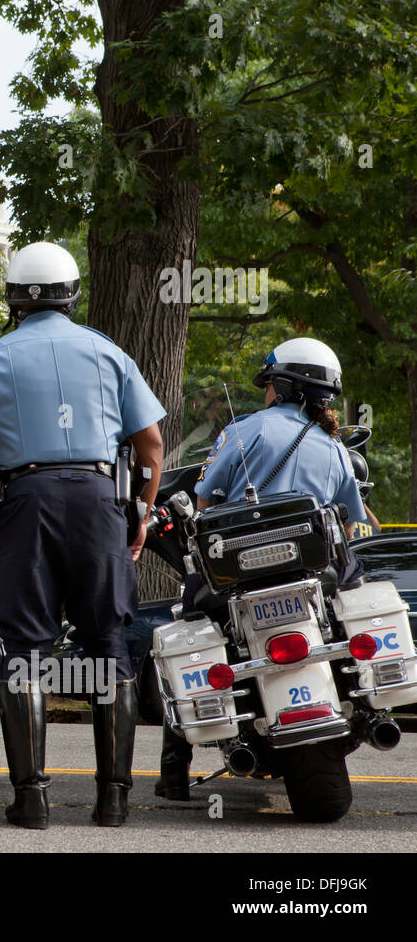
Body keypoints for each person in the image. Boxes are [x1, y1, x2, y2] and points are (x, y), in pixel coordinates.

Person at [0, 242, 165, 829]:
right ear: (72, 294)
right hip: (98, 502)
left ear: (13, 298)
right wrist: (139, 513)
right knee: (111, 644)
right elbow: (152, 446)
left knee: (24, 652)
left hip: (26, 504)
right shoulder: (109, 352)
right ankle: (113, 800)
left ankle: (31, 799)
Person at [156, 337, 367, 800]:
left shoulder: (242, 430)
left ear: (283, 386)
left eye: (269, 383)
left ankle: (174, 769)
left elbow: (205, 502)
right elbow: (348, 522)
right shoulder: (332, 446)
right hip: (312, 581)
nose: (265, 392)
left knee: (189, 630)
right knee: (351, 610)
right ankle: (363, 699)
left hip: (238, 581)